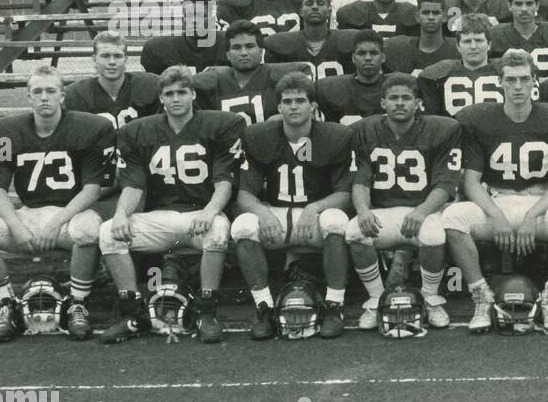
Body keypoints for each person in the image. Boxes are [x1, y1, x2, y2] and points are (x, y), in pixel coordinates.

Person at [97, 66, 247, 344]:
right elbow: (133, 185)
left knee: (217, 230)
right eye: (169, 93)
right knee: (108, 232)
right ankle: (132, 314)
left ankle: (206, 312)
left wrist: (211, 211)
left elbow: (225, 180)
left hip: (200, 214)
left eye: (182, 92)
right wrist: (120, 214)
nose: (176, 98)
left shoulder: (221, 125)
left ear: (193, 94)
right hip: (159, 216)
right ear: (161, 98)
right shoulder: (138, 131)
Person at [443, 49, 548, 334]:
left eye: (524, 79)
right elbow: (470, 182)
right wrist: (496, 216)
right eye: (510, 80)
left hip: (540, 201)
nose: (517, 86)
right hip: (497, 199)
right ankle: (481, 298)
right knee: (453, 218)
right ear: (500, 83)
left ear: (535, 82)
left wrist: (532, 215)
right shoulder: (478, 119)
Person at [0, 66, 112, 341]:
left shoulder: (90, 128)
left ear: (62, 95)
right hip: (29, 214)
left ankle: (77, 304)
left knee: (90, 230)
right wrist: (16, 226)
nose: (44, 97)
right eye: (37, 92)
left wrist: (56, 223)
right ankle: (7, 306)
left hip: (70, 215)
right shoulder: (5, 134)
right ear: (28, 96)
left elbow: (93, 188)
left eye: (50, 91)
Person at [230, 73, 354, 340]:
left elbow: (345, 193)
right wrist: (262, 213)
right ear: (279, 107)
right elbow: (243, 193)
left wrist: (314, 209)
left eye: (300, 100)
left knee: (337, 221)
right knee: (242, 226)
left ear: (313, 106)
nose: (294, 106)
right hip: (276, 210)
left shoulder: (335, 136)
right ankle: (264, 307)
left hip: (316, 213)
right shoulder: (259, 136)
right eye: (288, 101)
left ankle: (335, 305)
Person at [345, 74, 463, 331]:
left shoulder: (441, 130)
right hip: (383, 210)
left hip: (424, 209)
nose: (400, 103)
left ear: (418, 103)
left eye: (406, 98)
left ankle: (431, 298)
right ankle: (376, 298)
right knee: (355, 230)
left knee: (433, 234)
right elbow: (361, 180)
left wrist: (421, 212)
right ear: (383, 103)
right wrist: (363, 211)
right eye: (394, 98)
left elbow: (445, 184)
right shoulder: (366, 130)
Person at [65, 31, 162, 192]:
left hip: (142, 165)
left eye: (117, 56)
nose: (112, 62)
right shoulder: (76, 94)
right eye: (105, 56)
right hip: (99, 168)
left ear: (126, 59)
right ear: (94, 59)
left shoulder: (149, 85)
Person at [193, 20, 305, 124]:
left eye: (250, 46)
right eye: (236, 47)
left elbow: (307, 113)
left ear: (261, 51)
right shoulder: (213, 83)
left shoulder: (280, 78)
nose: (244, 53)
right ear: (228, 54)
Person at [263, 0, 359, 80]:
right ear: (300, 11)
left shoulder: (350, 39)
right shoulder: (278, 43)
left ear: (329, 12)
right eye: (309, 3)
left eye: (320, 3)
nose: (315, 7)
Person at [417, 15, 504, 117]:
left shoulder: (504, 70)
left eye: (479, 40)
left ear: (489, 44)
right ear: (458, 46)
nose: (473, 46)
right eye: (467, 41)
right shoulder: (442, 73)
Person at [488, 0, 548, 80]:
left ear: (537, 5)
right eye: (518, 4)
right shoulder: (496, 34)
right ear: (509, 5)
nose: (524, 9)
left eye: (529, 3)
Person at [316, 31, 392, 124]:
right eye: (361, 53)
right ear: (353, 58)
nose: (368, 58)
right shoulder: (331, 88)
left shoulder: (396, 86)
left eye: (373, 53)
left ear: (383, 57)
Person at [140, 0, 226, 74]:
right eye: (189, 16)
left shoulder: (226, 42)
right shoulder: (158, 46)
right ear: (183, 20)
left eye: (201, 16)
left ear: (211, 20)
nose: (194, 20)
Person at [382, 0, 461, 76]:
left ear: (444, 17)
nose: (431, 17)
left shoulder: (458, 48)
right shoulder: (397, 46)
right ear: (417, 17)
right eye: (426, 13)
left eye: (436, 13)